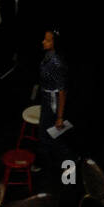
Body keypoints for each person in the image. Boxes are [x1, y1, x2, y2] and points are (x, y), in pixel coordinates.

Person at [35, 29, 69, 172]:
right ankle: (48, 164)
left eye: (48, 40)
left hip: (52, 102)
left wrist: (60, 117)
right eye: (44, 39)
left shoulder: (56, 63)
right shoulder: (48, 56)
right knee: (46, 134)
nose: (43, 42)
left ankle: (69, 162)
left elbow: (62, 92)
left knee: (49, 134)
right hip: (46, 98)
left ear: (55, 43)